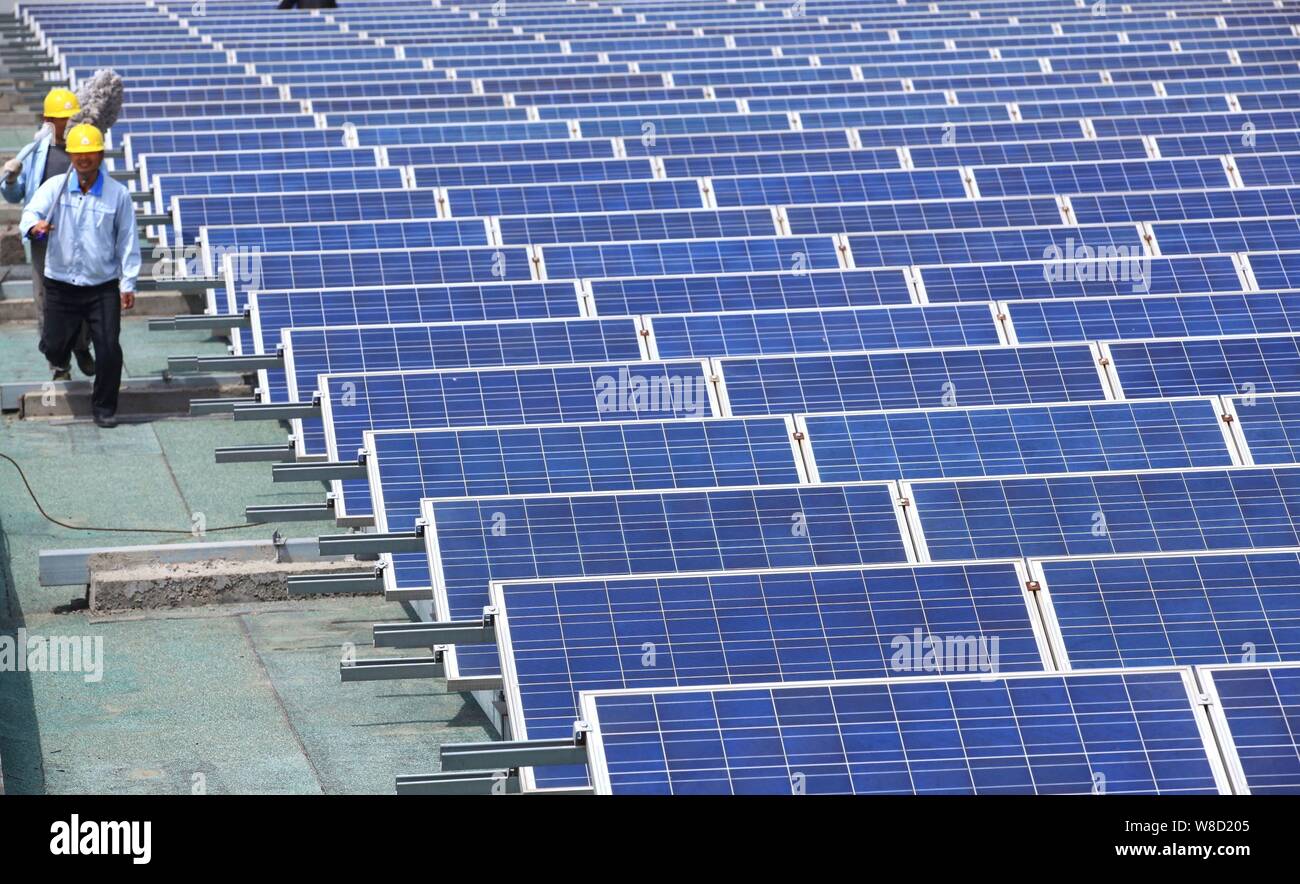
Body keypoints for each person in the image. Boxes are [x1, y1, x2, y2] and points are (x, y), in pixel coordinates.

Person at [20, 123, 140, 429]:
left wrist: (128, 283)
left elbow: (127, 240)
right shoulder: (55, 187)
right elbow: (30, 214)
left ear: (100, 155)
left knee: (110, 348)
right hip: (61, 284)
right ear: (70, 155)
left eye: (90, 153)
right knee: (53, 345)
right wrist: (35, 228)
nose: (84, 159)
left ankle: (104, 408)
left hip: (102, 286)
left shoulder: (118, 195)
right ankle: (68, 348)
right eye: (78, 154)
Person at [2, 87, 97, 377]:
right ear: (48, 119)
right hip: (44, 237)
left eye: (71, 117)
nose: (67, 122)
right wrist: (12, 177)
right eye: (62, 118)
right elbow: (17, 194)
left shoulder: (81, 148)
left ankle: (81, 345)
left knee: (83, 292)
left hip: (79, 235)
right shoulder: (36, 151)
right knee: (45, 298)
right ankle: (58, 362)